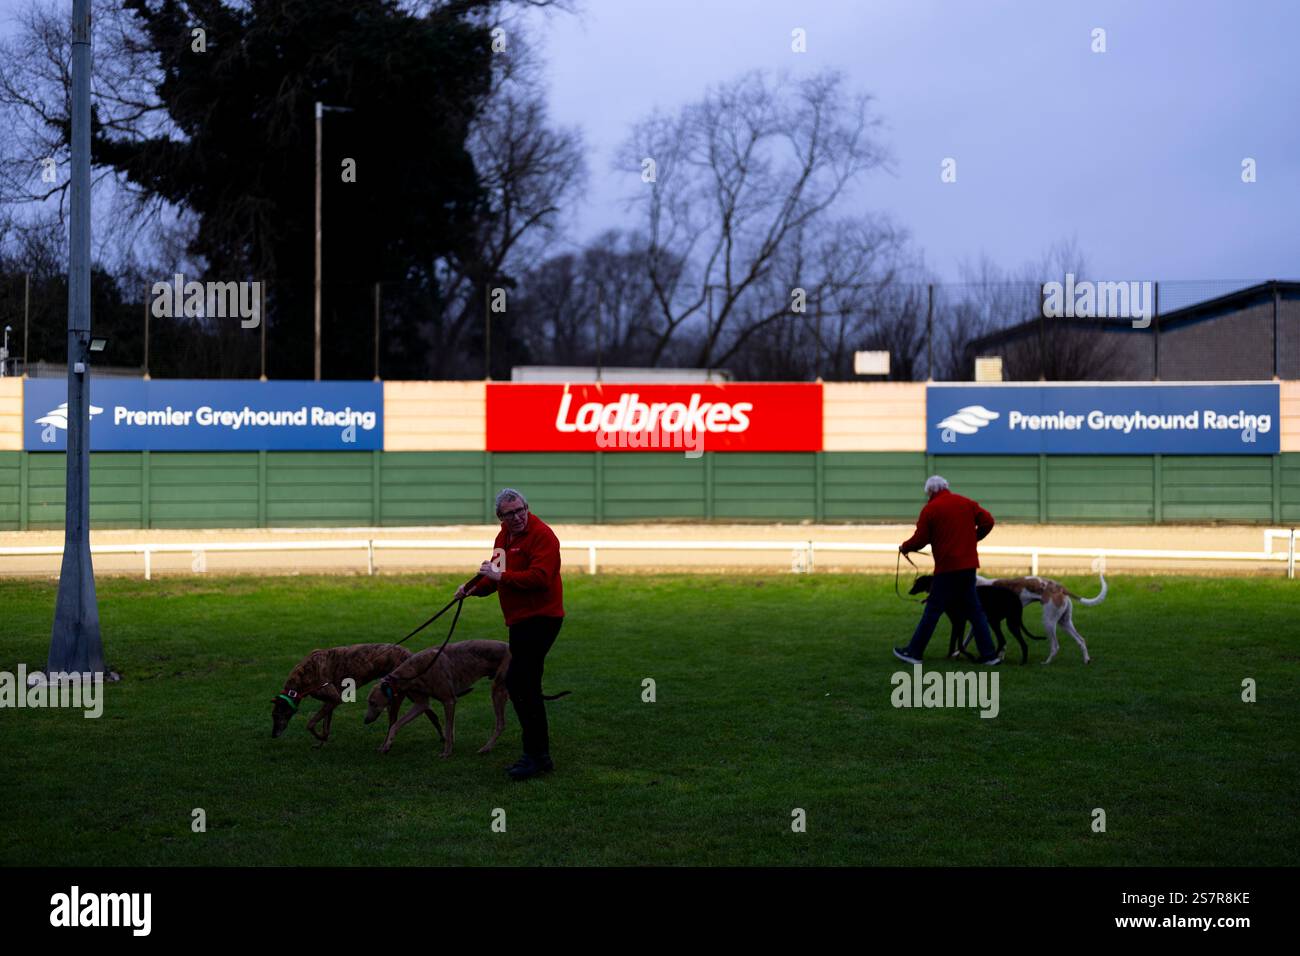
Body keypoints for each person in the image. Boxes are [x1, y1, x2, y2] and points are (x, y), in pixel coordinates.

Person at [456, 488, 565, 780]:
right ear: (500, 517)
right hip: (518, 621)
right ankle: (538, 755)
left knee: (521, 683)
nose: (517, 517)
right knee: (523, 684)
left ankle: (536, 756)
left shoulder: (543, 535)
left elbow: (540, 578)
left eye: (520, 510)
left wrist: (498, 576)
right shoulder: (503, 537)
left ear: (527, 507)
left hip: (542, 618)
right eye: (509, 513)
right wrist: (471, 590)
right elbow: (495, 577)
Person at [895, 475, 1001, 666]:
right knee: (975, 611)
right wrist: (973, 539)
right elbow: (988, 521)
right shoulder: (966, 503)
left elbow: (920, 538)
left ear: (930, 491)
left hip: (946, 569)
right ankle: (990, 655)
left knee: (933, 610)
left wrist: (905, 547)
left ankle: (914, 652)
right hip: (968, 567)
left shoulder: (930, 509)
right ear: (945, 487)